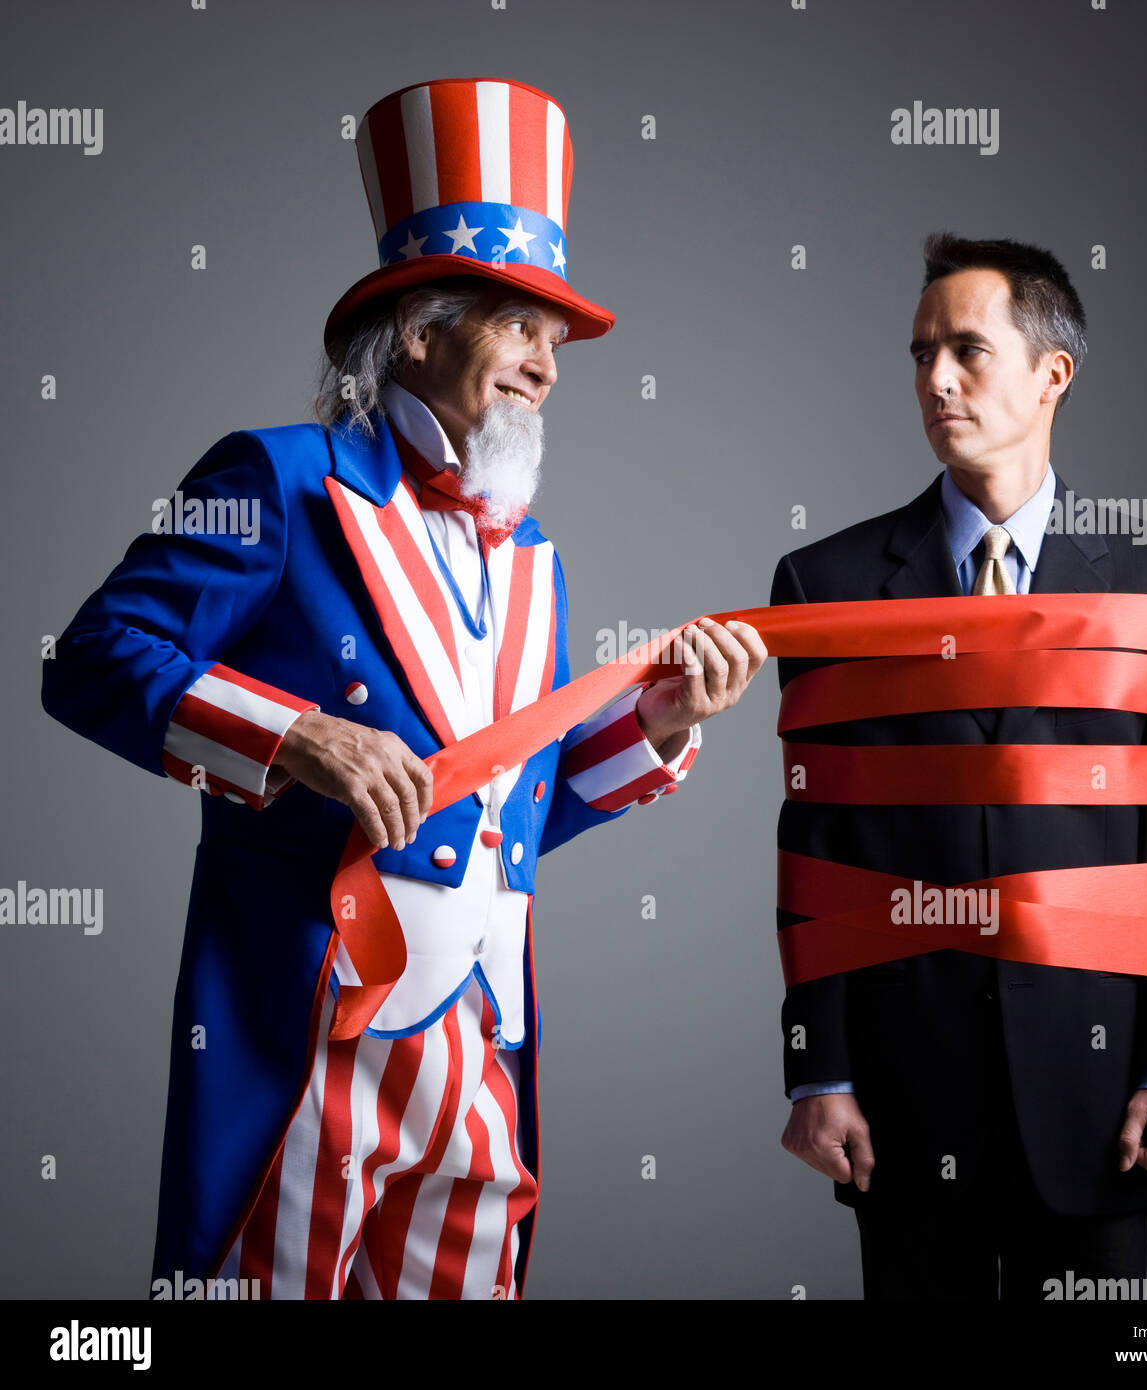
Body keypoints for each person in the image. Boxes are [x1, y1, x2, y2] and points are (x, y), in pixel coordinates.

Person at [41, 76, 765, 1301]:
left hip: (484, 1050)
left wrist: (658, 726)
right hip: (308, 1034)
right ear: (423, 332)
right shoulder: (277, 476)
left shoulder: (534, 557)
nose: (547, 362)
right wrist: (294, 733)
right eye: (520, 326)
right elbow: (92, 658)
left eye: (555, 339)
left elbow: (511, 810)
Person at [773, 231, 1147, 1300]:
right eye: (920, 352)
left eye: (966, 350)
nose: (934, 379)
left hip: (1100, 1084)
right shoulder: (824, 582)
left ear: (1051, 372)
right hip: (899, 1088)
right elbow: (817, 843)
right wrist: (818, 1069)